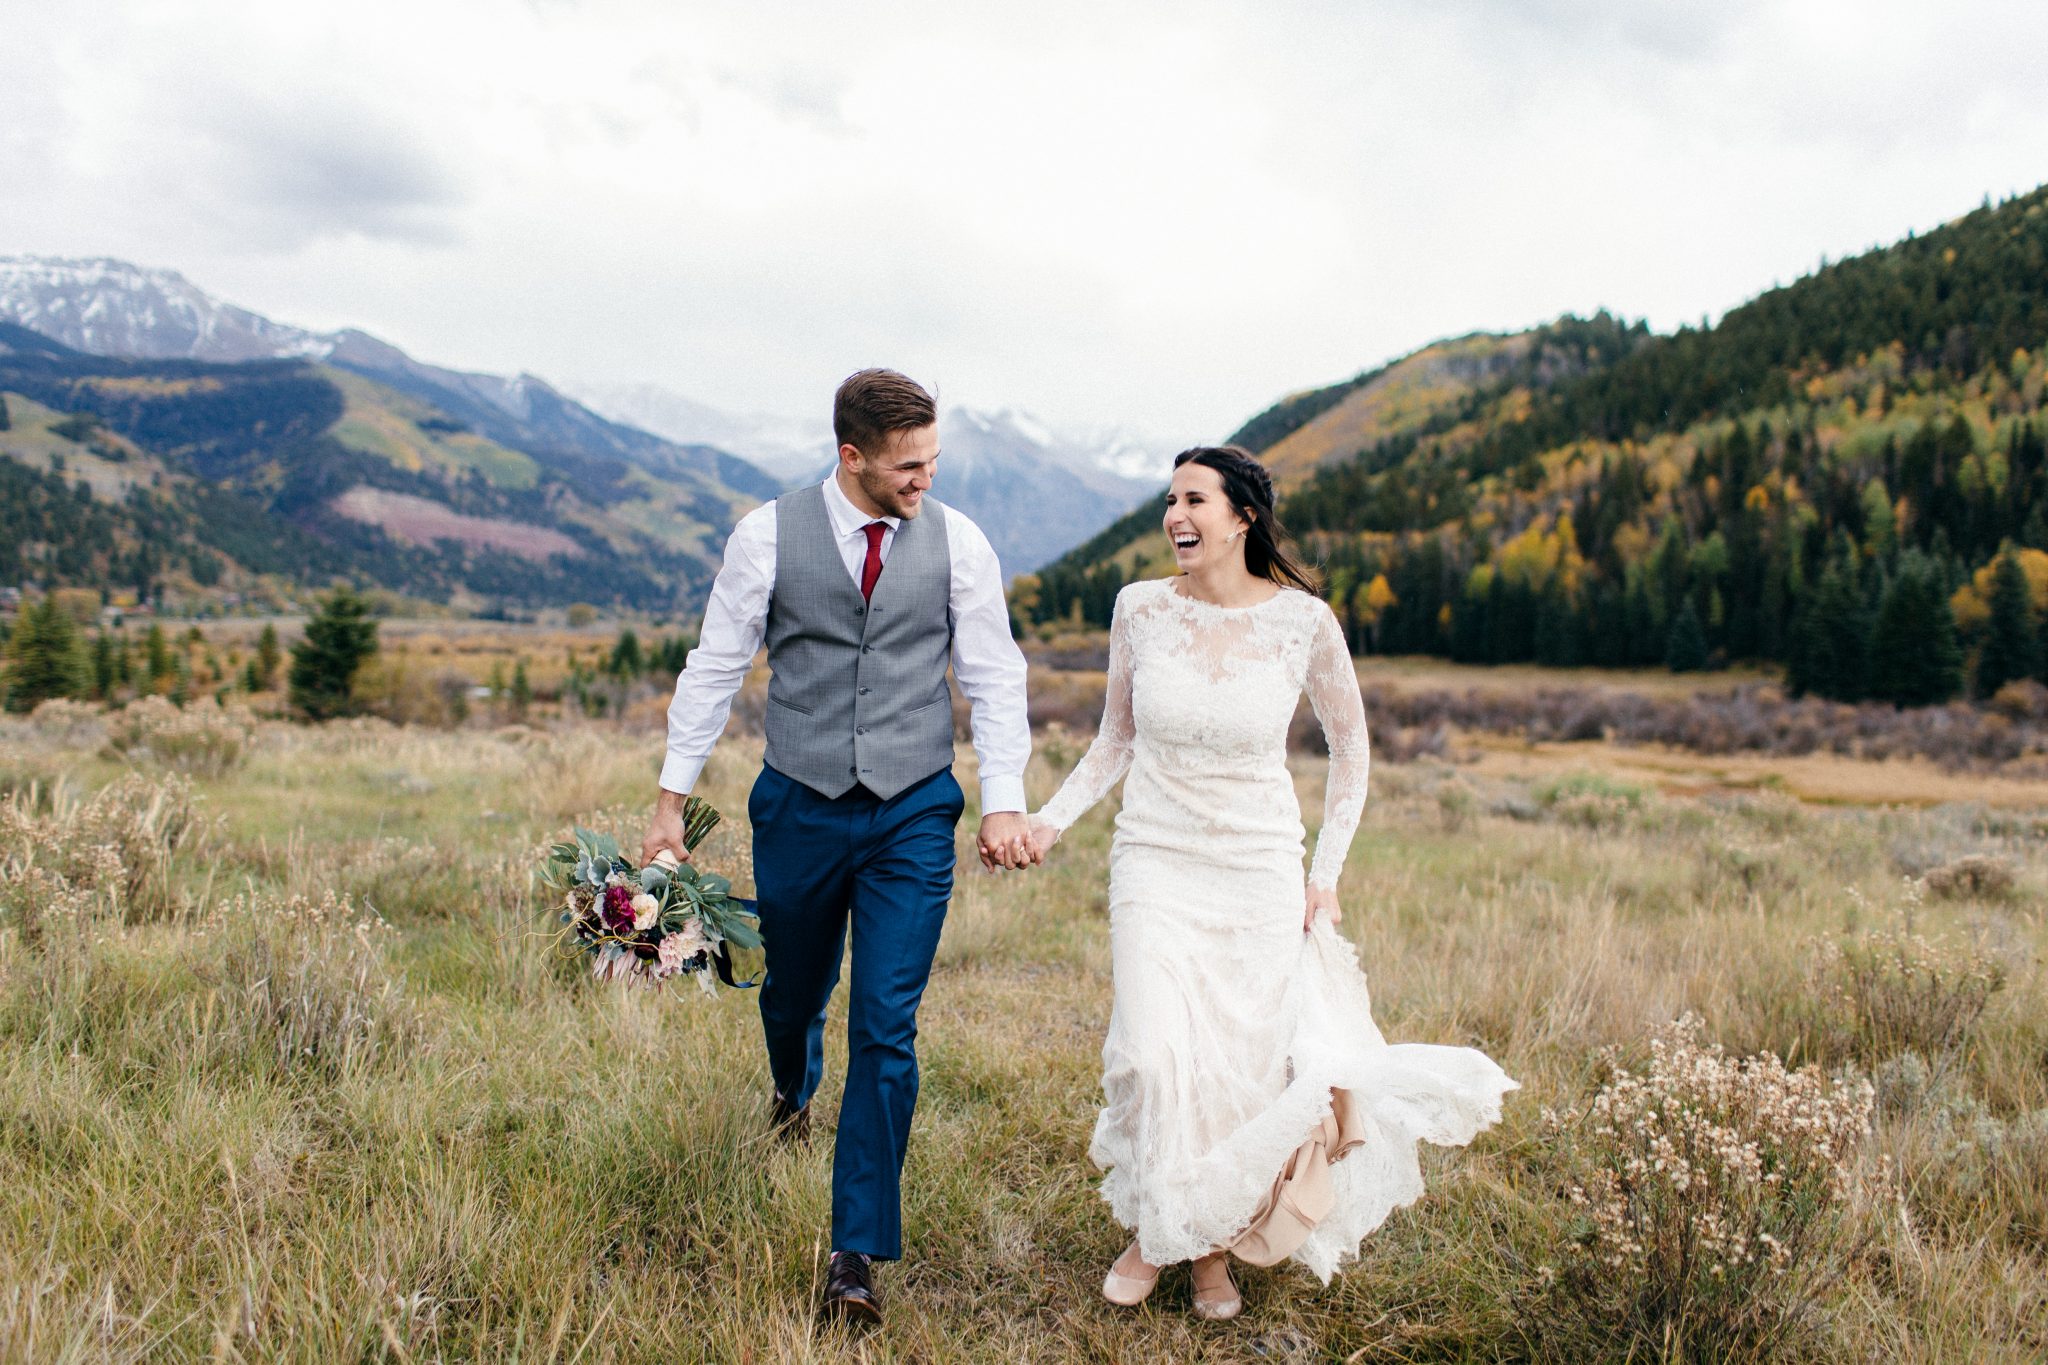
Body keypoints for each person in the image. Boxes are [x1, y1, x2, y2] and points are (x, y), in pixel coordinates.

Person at [1025, 446, 1517, 1320]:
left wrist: (1323, 876)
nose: (1176, 516)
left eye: (1194, 500)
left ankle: (1200, 1247)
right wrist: (1047, 820)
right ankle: (1164, 1227)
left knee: (1240, 1073)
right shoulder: (1140, 609)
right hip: (1157, 862)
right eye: (1169, 500)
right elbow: (1115, 740)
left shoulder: (1303, 623)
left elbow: (1353, 751)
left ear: (1242, 517)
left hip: (1258, 871)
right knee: (1151, 1053)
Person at [642, 369, 1039, 1328]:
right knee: (793, 992)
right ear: (851, 456)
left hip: (911, 813)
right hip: (800, 806)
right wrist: (668, 804)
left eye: (935, 460)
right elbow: (715, 666)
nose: (925, 480)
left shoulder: (960, 543)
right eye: (909, 466)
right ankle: (791, 1085)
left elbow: (994, 672)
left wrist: (1003, 802)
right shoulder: (767, 534)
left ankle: (853, 1252)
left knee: (885, 1025)